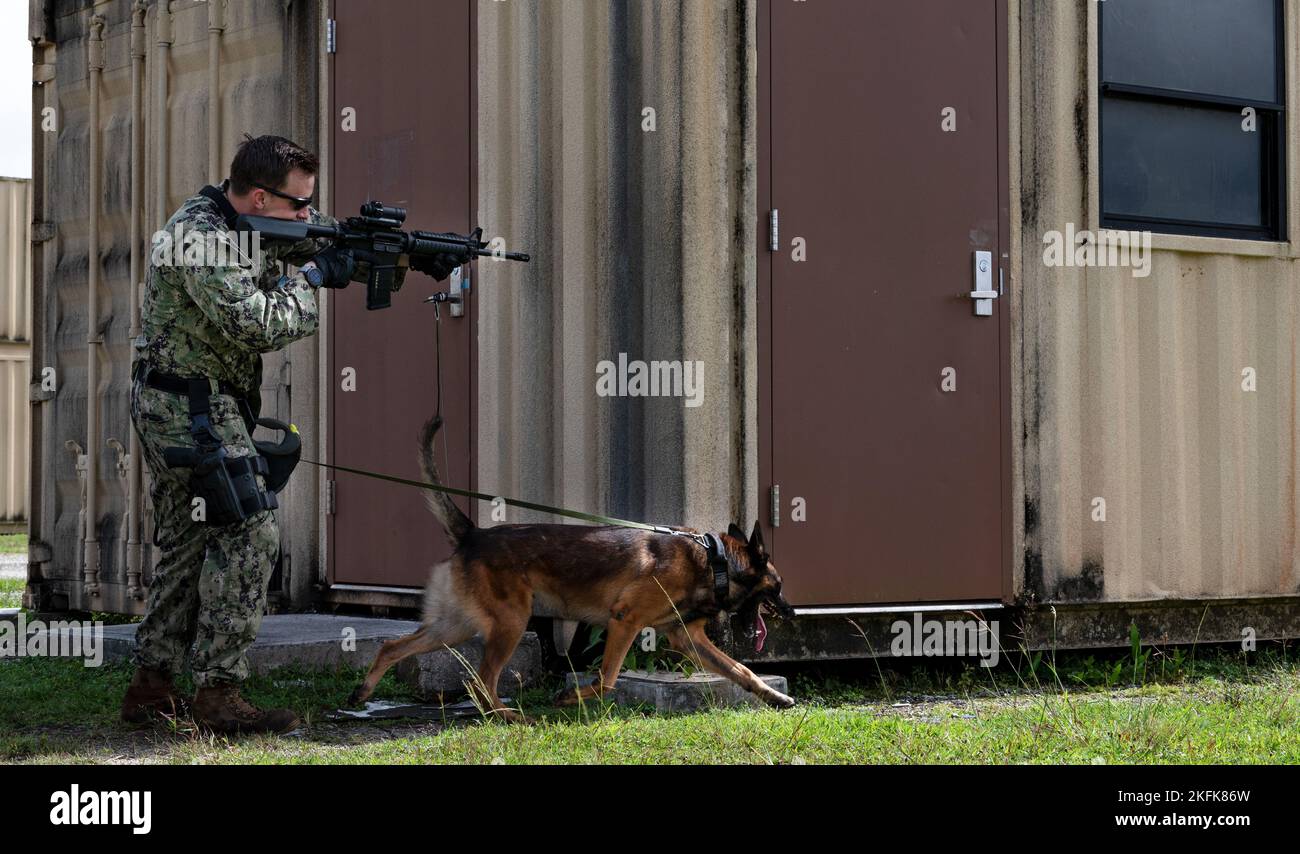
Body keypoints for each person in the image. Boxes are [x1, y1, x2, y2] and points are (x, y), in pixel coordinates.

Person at [118, 134, 464, 734]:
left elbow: (326, 237)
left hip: (192, 401)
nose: (308, 213)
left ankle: (153, 685)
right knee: (251, 530)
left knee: (189, 541)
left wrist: (403, 255)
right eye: (298, 203)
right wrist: (310, 276)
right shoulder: (201, 239)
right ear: (258, 196)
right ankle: (218, 692)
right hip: (186, 409)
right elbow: (258, 323)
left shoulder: (253, 218)